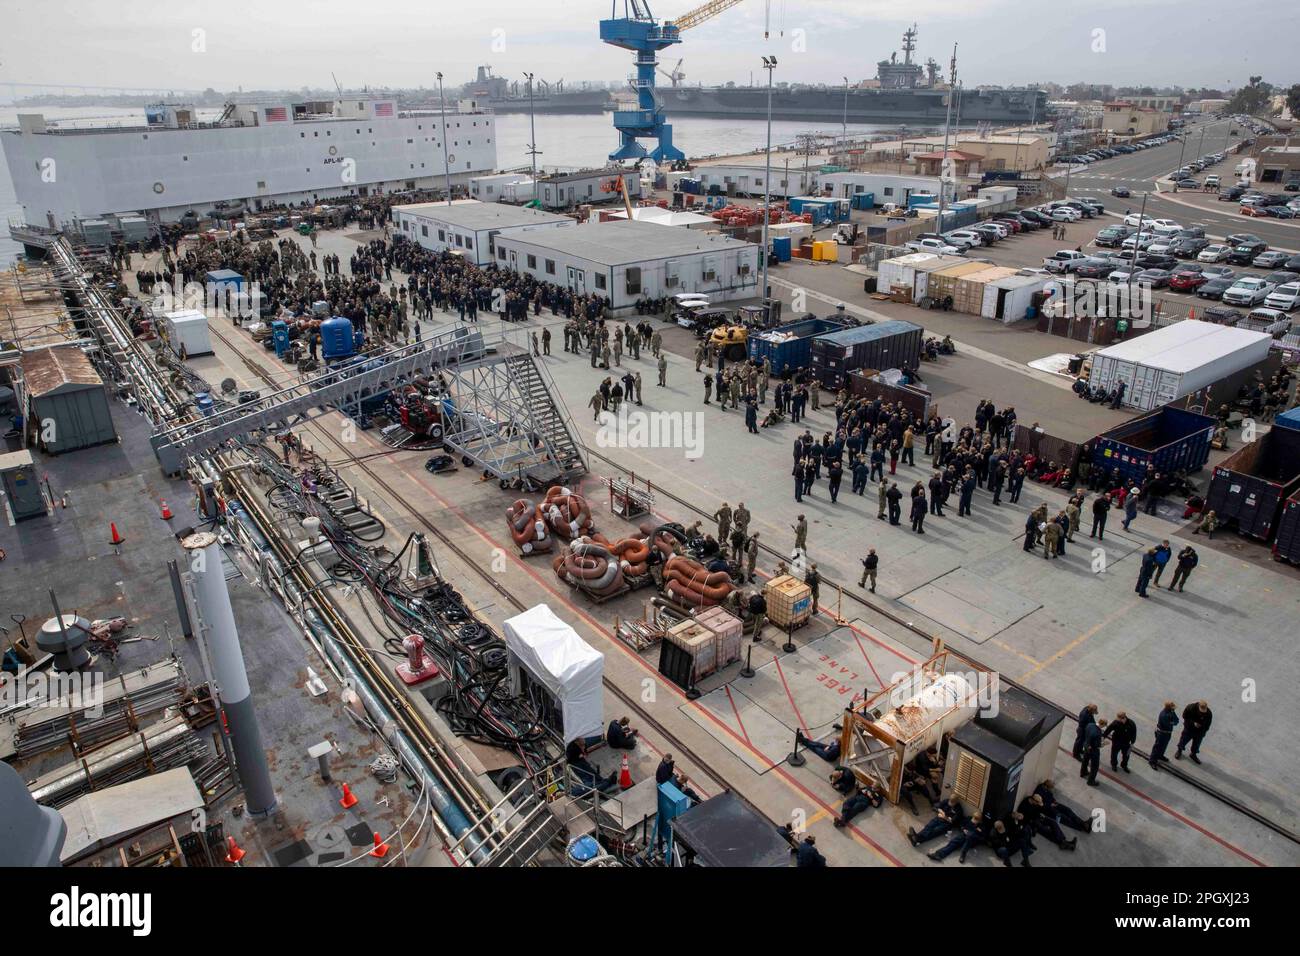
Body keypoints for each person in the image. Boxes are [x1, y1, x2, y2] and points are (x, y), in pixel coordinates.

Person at [1149, 701, 1179, 770]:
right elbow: (1170, 724)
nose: (1174, 709)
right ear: (1169, 708)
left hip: (1167, 733)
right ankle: (1152, 761)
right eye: (1172, 707)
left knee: (1164, 745)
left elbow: (1176, 720)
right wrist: (1173, 721)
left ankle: (1160, 755)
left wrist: (1173, 720)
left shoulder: (1171, 712)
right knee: (1157, 747)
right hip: (1161, 733)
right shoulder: (1164, 715)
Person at [1079, 717, 1107, 786]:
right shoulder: (1098, 732)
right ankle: (1091, 781)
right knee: (1095, 766)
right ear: (1103, 725)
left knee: (1085, 760)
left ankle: (1083, 772)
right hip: (1093, 750)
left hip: (1086, 745)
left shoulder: (1090, 725)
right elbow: (1098, 745)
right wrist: (1104, 743)